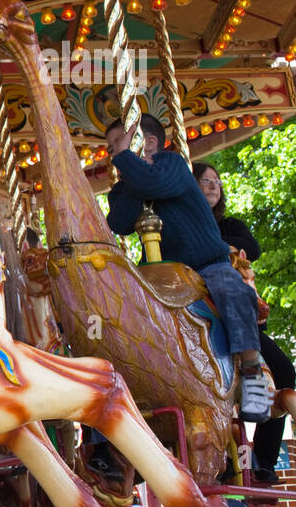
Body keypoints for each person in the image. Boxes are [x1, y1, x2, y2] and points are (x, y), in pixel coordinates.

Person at [105, 114, 271, 421]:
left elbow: (153, 181)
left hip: (206, 265)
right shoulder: (127, 183)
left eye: (117, 143)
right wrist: (130, 172)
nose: (113, 152)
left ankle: (252, 370)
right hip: (159, 273)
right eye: (112, 146)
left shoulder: (173, 165)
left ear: (149, 142)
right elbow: (119, 221)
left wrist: (129, 159)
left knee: (230, 289)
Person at [194, 161, 291, 483]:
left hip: (236, 318)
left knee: (283, 371)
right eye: (205, 181)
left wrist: (227, 247)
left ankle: (263, 460)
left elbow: (254, 248)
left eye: (216, 183)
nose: (212, 186)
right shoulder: (184, 225)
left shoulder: (229, 224)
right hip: (199, 314)